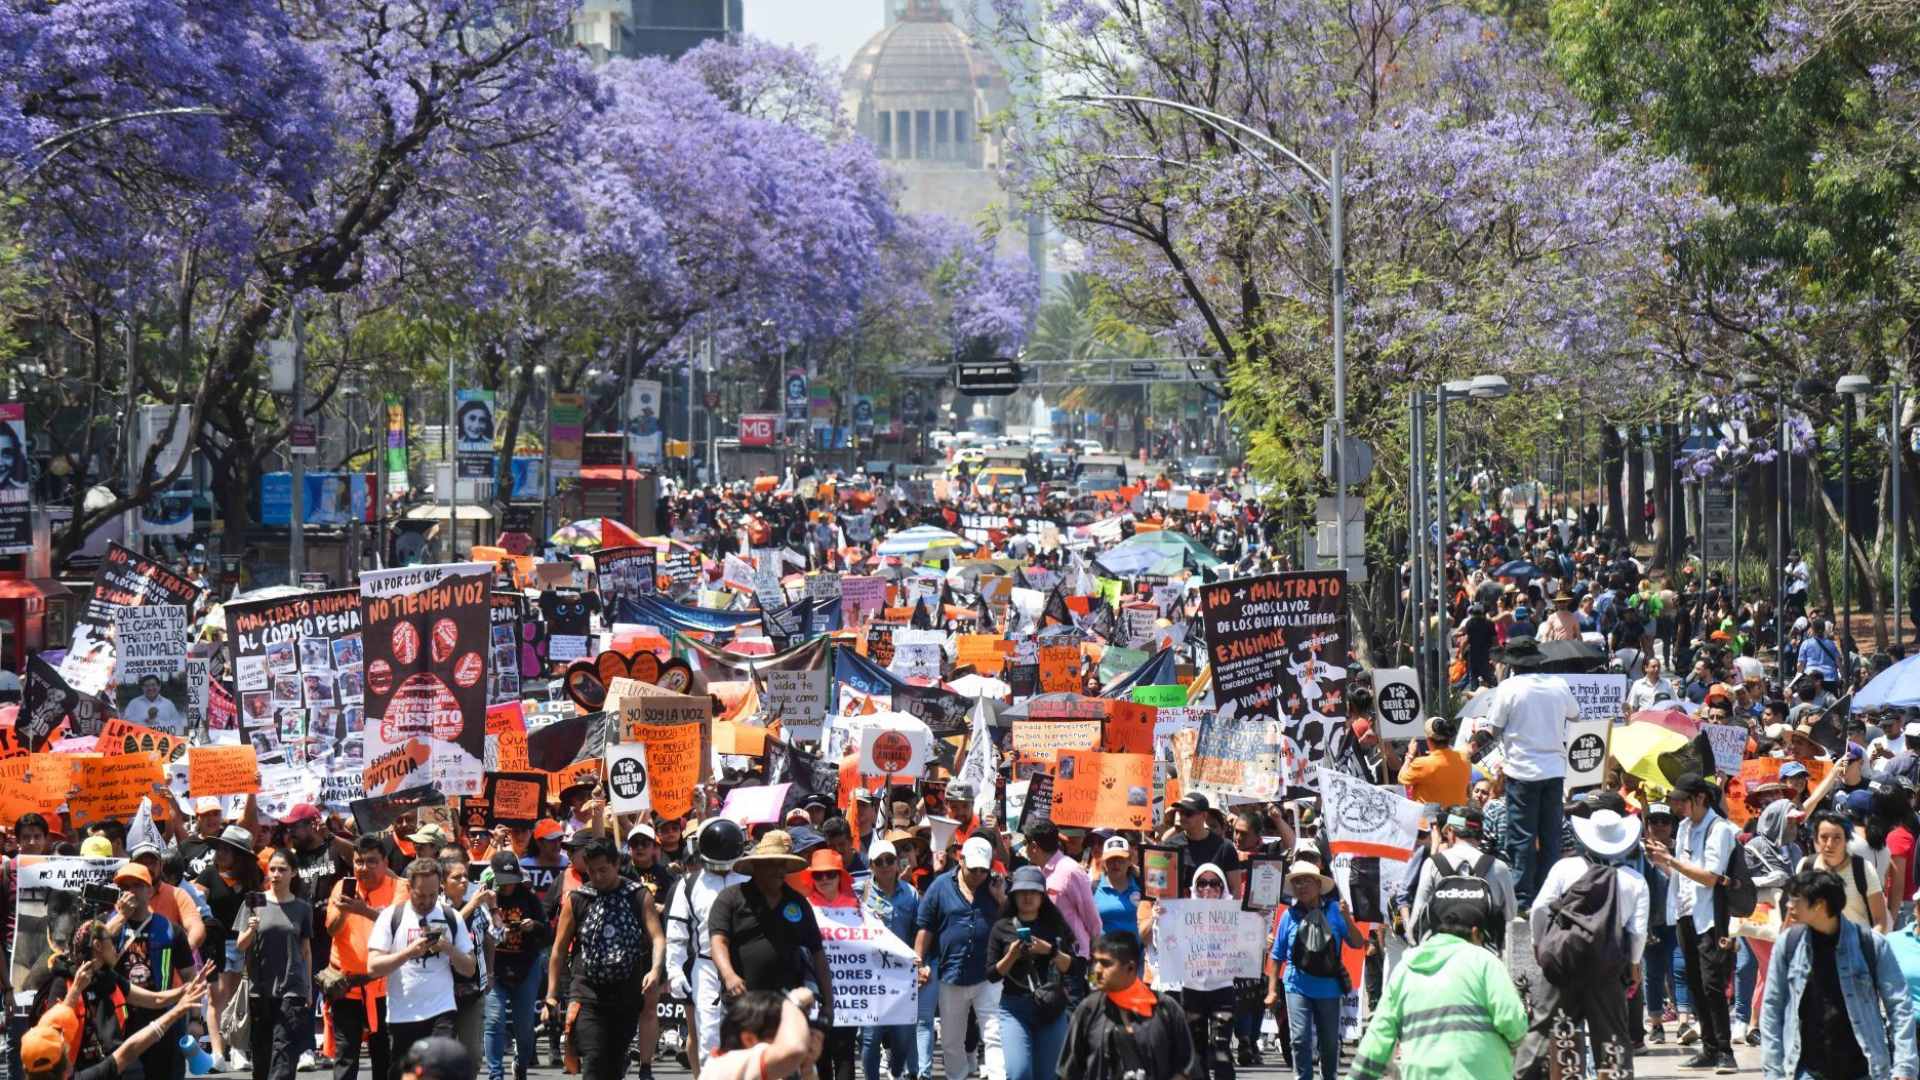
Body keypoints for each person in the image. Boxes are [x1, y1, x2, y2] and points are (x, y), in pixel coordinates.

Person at [1513, 810, 1650, 1079]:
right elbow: (1637, 932)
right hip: (1607, 969)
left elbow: (1540, 909)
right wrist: (1634, 966)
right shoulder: (1634, 881)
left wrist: (1538, 944)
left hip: (1563, 961)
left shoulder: (1564, 868)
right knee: (1612, 1037)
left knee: (1546, 1030)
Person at [1350, 877, 1526, 1080]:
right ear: (1476, 932)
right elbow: (1513, 1023)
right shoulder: (1485, 962)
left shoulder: (1406, 968)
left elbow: (1377, 1038)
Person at [1760, 869, 1918, 1080]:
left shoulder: (1870, 944)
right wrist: (1773, 1072)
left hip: (1864, 1069)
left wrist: (1904, 1066)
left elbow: (1899, 1005)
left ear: (1820, 905)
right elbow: (1772, 1008)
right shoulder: (1788, 944)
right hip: (1806, 1071)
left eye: (1797, 900)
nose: (1789, 906)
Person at [547, 835, 665, 1080]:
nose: (598, 877)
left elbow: (657, 938)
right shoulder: (578, 899)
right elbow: (558, 950)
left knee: (613, 1063)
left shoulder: (638, 896)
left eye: (603, 870)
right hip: (587, 993)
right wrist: (551, 994)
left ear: (616, 864)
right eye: (592, 871)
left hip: (626, 993)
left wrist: (654, 970)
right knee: (594, 1058)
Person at [1646, 773, 1740, 1072]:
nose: (1676, 806)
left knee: (1713, 985)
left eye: (1681, 800)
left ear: (1700, 798)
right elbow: (1684, 874)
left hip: (1711, 918)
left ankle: (1725, 1051)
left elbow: (1711, 877)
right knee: (1695, 983)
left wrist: (1671, 860)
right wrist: (1664, 861)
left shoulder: (1721, 829)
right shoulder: (1685, 827)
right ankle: (1708, 1048)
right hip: (1685, 914)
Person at [367, 855, 478, 1080]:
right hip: (402, 1013)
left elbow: (470, 968)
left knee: (438, 1071)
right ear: (409, 888)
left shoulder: (451, 916)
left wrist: (447, 948)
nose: (427, 902)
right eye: (420, 895)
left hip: (441, 1010)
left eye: (433, 895)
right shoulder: (391, 917)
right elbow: (373, 967)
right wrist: (409, 953)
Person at [19, 960, 213, 1080]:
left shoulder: (109, 978)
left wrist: (76, 990)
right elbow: (129, 1051)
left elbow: (52, 1025)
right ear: (65, 1069)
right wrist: (178, 1011)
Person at [915, 836, 1006, 1080]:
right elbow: (925, 926)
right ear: (961, 859)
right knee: (952, 1040)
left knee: (994, 1033)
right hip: (951, 974)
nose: (978, 874)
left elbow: (1011, 925)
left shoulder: (995, 887)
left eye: (982, 870)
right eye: (973, 868)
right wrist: (919, 963)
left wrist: (1000, 899)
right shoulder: (940, 886)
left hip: (988, 974)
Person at [1485, 671, 1578, 905]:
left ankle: (1523, 897)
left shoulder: (1509, 687)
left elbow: (1494, 728)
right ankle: (1550, 893)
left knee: (1522, 836)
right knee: (1551, 835)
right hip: (1554, 771)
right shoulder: (1559, 682)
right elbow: (1575, 715)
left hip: (1522, 772)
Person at [1264, 861, 1364, 1080]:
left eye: (1307, 881)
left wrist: (1347, 917)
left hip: (1329, 989)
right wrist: (1272, 990)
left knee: (1329, 1043)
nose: (1302, 886)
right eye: (1297, 882)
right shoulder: (1288, 916)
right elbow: (1276, 956)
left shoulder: (1336, 911)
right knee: (1299, 1039)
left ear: (1319, 885)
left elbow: (1357, 943)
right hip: (1296, 986)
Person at [665, 819, 748, 1075]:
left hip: (744, 965)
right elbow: (677, 932)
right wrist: (675, 970)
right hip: (707, 967)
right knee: (709, 1035)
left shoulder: (748, 879)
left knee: (747, 1034)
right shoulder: (689, 885)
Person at [1058, 931, 1196, 1080]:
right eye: (1095, 961)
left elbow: (1187, 1067)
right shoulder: (1088, 1010)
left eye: (1105, 963)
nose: (1096, 970)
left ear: (1130, 968)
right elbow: (1069, 1072)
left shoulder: (1165, 1009)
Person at [987, 866, 1076, 1080]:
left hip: (1051, 1007)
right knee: (1019, 1073)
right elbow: (991, 974)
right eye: (1022, 892)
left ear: (1042, 896)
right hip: (1014, 1008)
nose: (1027, 897)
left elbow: (1072, 967)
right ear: (1014, 895)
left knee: (1048, 1075)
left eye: (1033, 892)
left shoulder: (1055, 926)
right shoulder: (1001, 927)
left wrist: (1050, 950)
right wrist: (1012, 955)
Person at [328, 835, 403, 1080]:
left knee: (384, 1057)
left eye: (372, 862)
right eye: (359, 862)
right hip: (346, 986)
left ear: (385, 863)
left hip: (385, 990)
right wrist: (344, 911)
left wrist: (365, 911)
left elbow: (400, 927)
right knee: (346, 1057)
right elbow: (331, 929)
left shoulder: (400, 887)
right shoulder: (343, 887)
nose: (364, 868)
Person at [236, 849, 315, 1080]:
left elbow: (306, 951)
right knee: (262, 1057)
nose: (277, 874)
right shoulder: (254, 902)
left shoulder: (302, 908)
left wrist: (308, 989)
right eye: (272, 869)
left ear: (294, 873)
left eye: (282, 869)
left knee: (284, 1052)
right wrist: (251, 928)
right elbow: (241, 945)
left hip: (292, 988)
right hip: (259, 990)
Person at [856, 839, 919, 1080]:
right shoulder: (860, 892)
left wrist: (919, 962)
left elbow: (918, 931)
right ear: (871, 865)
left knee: (903, 1037)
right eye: (879, 861)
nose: (885, 866)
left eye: (889, 860)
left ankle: (895, 1071)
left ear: (896, 862)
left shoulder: (911, 894)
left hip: (902, 975)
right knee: (870, 1038)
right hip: (871, 975)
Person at [481, 851, 547, 1080]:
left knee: (524, 1027)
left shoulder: (529, 898)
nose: (508, 887)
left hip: (526, 966)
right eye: (504, 882)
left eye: (512, 881)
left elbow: (548, 932)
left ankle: (521, 1064)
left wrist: (534, 926)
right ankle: (495, 1074)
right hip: (495, 968)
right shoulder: (486, 896)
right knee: (495, 1020)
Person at [1408, 805, 1516, 943]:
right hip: (1482, 955)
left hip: (1443, 955)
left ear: (1451, 831)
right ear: (1480, 833)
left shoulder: (1433, 864)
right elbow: (1510, 913)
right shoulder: (1498, 867)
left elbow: (1418, 914)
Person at [1022, 819, 1099, 999]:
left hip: (1073, 958)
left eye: (1025, 843)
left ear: (1034, 846)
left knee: (1072, 1016)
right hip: (1045, 958)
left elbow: (1091, 917)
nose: (1024, 848)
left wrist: (1093, 957)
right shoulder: (1035, 872)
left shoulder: (1070, 871)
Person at [1797, 809, 1891, 931]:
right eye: (1824, 837)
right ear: (1815, 840)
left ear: (1846, 840)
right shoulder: (1806, 866)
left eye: (1837, 838)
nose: (1829, 844)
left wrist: (1868, 946)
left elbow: (1880, 920)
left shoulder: (1863, 869)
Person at [439, 856, 495, 1062]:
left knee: (471, 1055)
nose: (464, 881)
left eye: (465, 876)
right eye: (456, 877)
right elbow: (444, 933)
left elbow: (492, 938)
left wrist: (489, 972)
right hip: (443, 994)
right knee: (443, 1056)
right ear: (442, 884)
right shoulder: (436, 908)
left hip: (473, 992)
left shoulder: (479, 908)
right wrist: (472, 905)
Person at [703, 989, 819, 1080]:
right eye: (781, 1035)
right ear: (749, 1039)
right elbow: (794, 1049)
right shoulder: (725, 1066)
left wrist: (807, 1069)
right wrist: (793, 1003)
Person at [1397, 716, 1471, 808]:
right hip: (1456, 819)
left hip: (1431, 820)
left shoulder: (1423, 764)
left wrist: (1410, 756)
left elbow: (1401, 779)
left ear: (1428, 739)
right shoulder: (1464, 759)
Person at [1092, 836, 1142, 936]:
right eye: (1111, 859)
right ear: (1104, 862)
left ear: (1129, 861)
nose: (1116, 863)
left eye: (1121, 859)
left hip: (1135, 951)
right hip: (1103, 950)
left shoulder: (1142, 886)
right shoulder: (1093, 888)